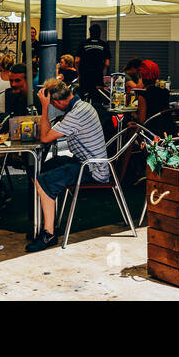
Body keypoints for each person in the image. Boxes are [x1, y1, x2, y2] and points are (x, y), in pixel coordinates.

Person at [28, 78, 109, 252]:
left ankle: (48, 233)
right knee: (41, 169)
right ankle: (45, 222)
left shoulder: (76, 114)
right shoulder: (81, 106)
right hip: (86, 163)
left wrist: (44, 107)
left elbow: (45, 137)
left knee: (44, 181)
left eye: (52, 104)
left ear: (56, 102)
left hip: (92, 169)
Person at [77, 23, 111, 104]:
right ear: (100, 32)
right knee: (97, 96)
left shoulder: (83, 43)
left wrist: (79, 73)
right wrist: (102, 72)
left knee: (83, 96)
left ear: (90, 32)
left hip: (85, 75)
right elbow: (107, 63)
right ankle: (97, 112)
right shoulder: (104, 44)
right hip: (97, 74)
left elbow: (77, 60)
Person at [133, 60, 170, 127]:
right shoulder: (165, 92)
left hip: (150, 132)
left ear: (142, 77)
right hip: (166, 129)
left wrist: (134, 115)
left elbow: (142, 121)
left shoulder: (143, 96)